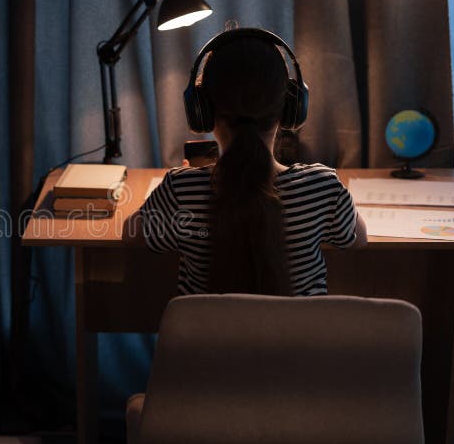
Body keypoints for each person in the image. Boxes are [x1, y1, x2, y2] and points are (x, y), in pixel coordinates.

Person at [128, 30, 367, 296]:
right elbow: (358, 238)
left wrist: (189, 183)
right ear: (292, 108)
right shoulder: (322, 187)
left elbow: (132, 232)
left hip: (207, 339)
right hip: (297, 338)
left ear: (202, 111)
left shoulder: (180, 188)